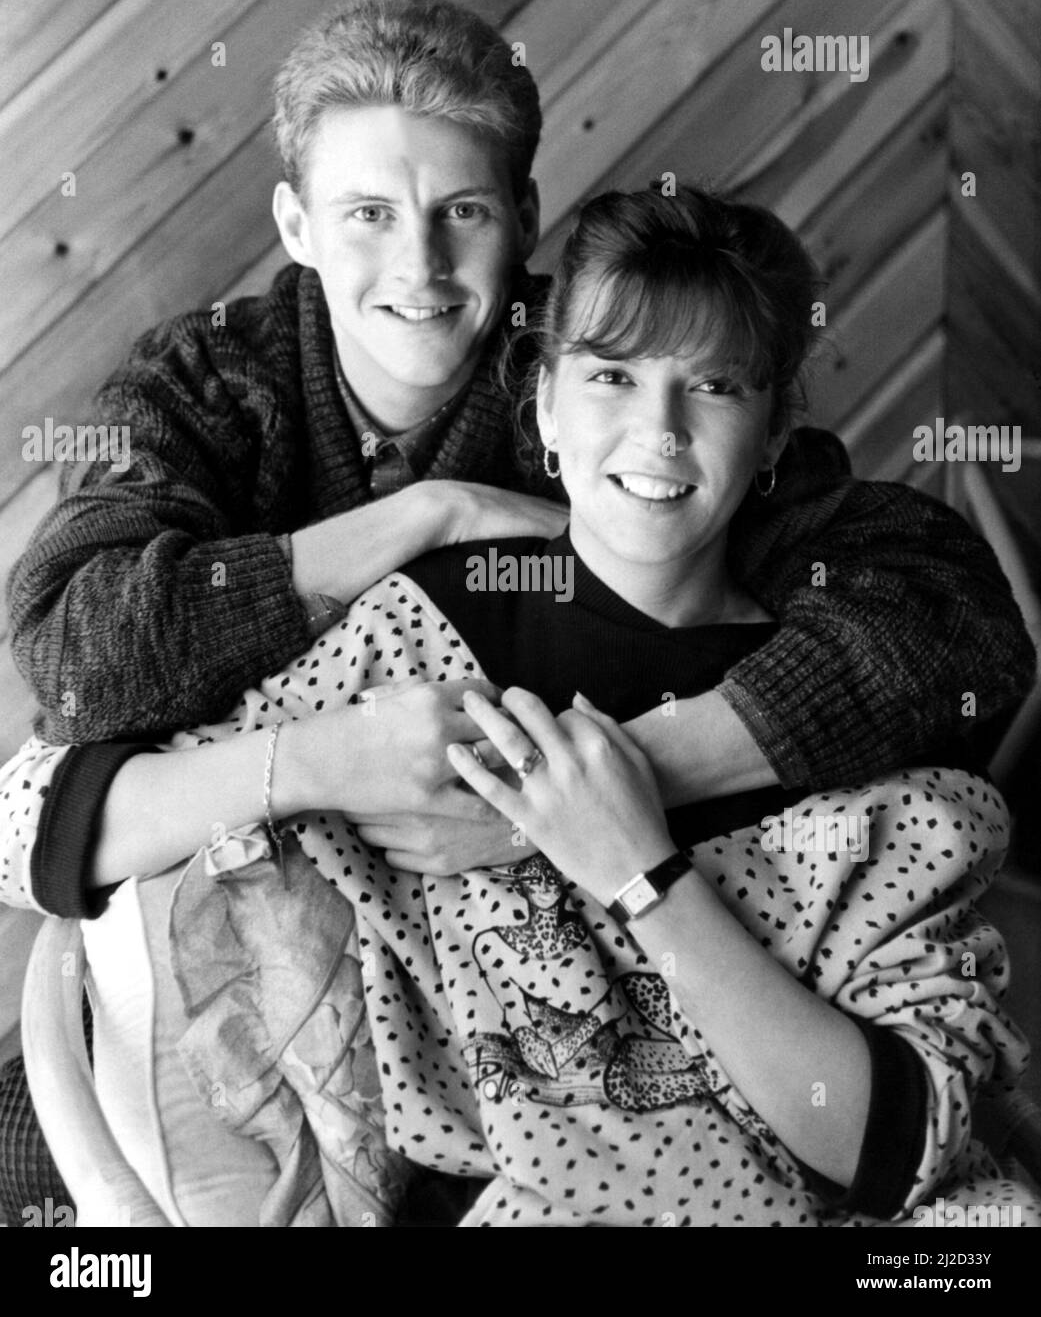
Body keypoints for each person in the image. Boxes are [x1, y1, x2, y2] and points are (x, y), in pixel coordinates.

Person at [6, 185, 1035, 1228]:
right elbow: (23, 827)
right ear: (543, 405)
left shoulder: (839, 694)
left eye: (714, 386)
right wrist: (309, 759)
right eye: (612, 377)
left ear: (774, 436)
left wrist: (641, 874)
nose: (661, 430)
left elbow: (903, 1144)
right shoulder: (417, 635)